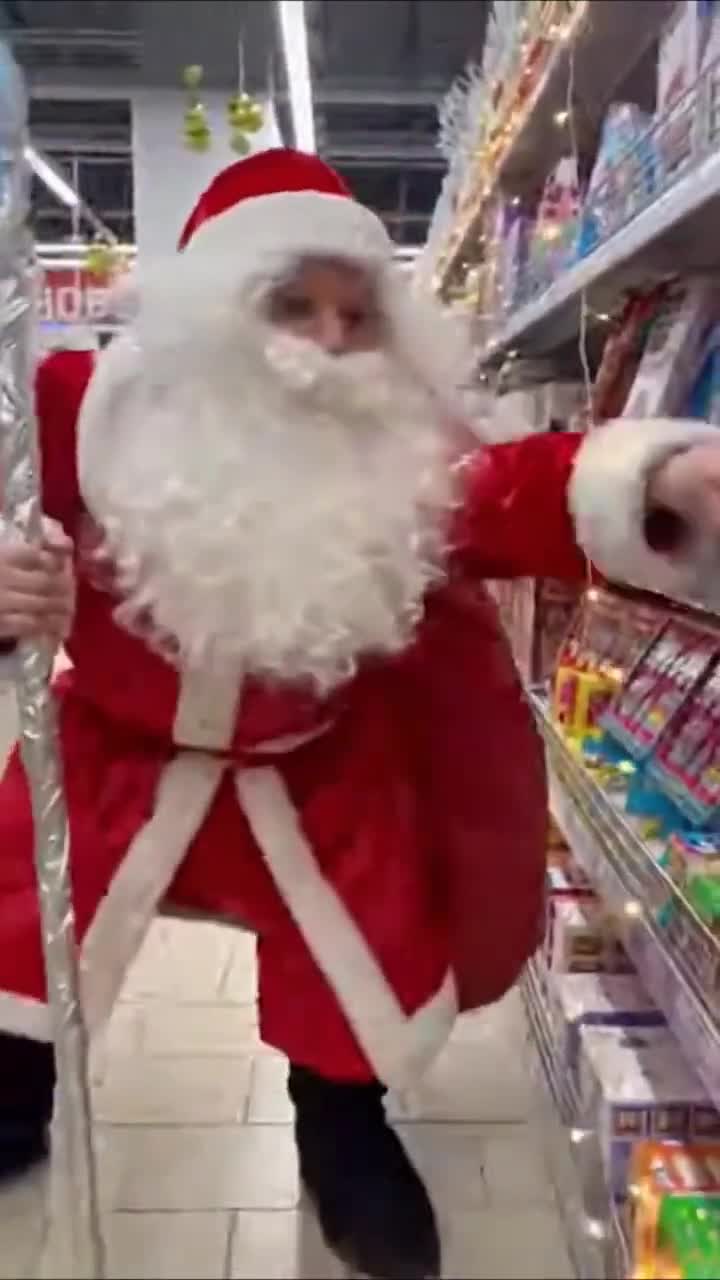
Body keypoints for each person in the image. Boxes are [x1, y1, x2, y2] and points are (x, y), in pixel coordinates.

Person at [1, 148, 720, 1279]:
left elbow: (514, 489)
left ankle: (340, 1127)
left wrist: (657, 480)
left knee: (361, 947)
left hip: (315, 764)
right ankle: (10, 1091)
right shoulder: (83, 413)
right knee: (14, 928)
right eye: (294, 306)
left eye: (357, 315)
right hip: (115, 744)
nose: (332, 344)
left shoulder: (397, 453)